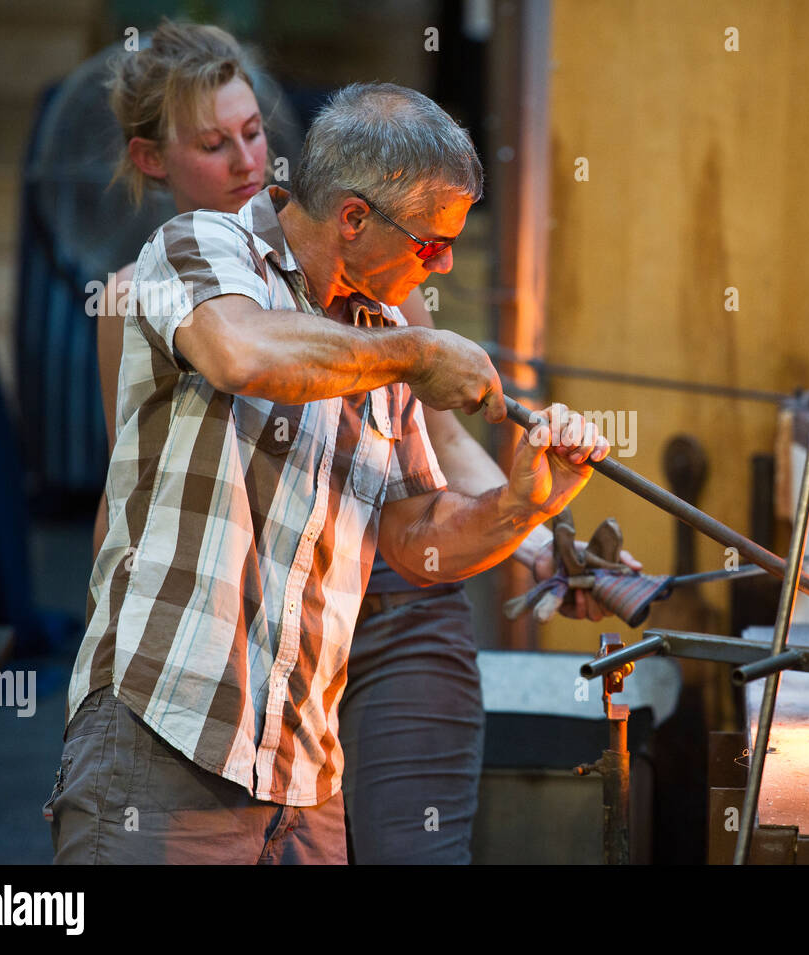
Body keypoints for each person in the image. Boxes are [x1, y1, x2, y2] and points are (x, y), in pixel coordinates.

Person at [80, 21, 637, 865]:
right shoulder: (193, 251)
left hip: (305, 757)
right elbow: (241, 356)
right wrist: (415, 355)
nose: (445, 266)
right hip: (178, 720)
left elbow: (415, 538)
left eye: (251, 133)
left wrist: (530, 508)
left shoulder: (377, 323)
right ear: (351, 217)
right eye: (431, 242)